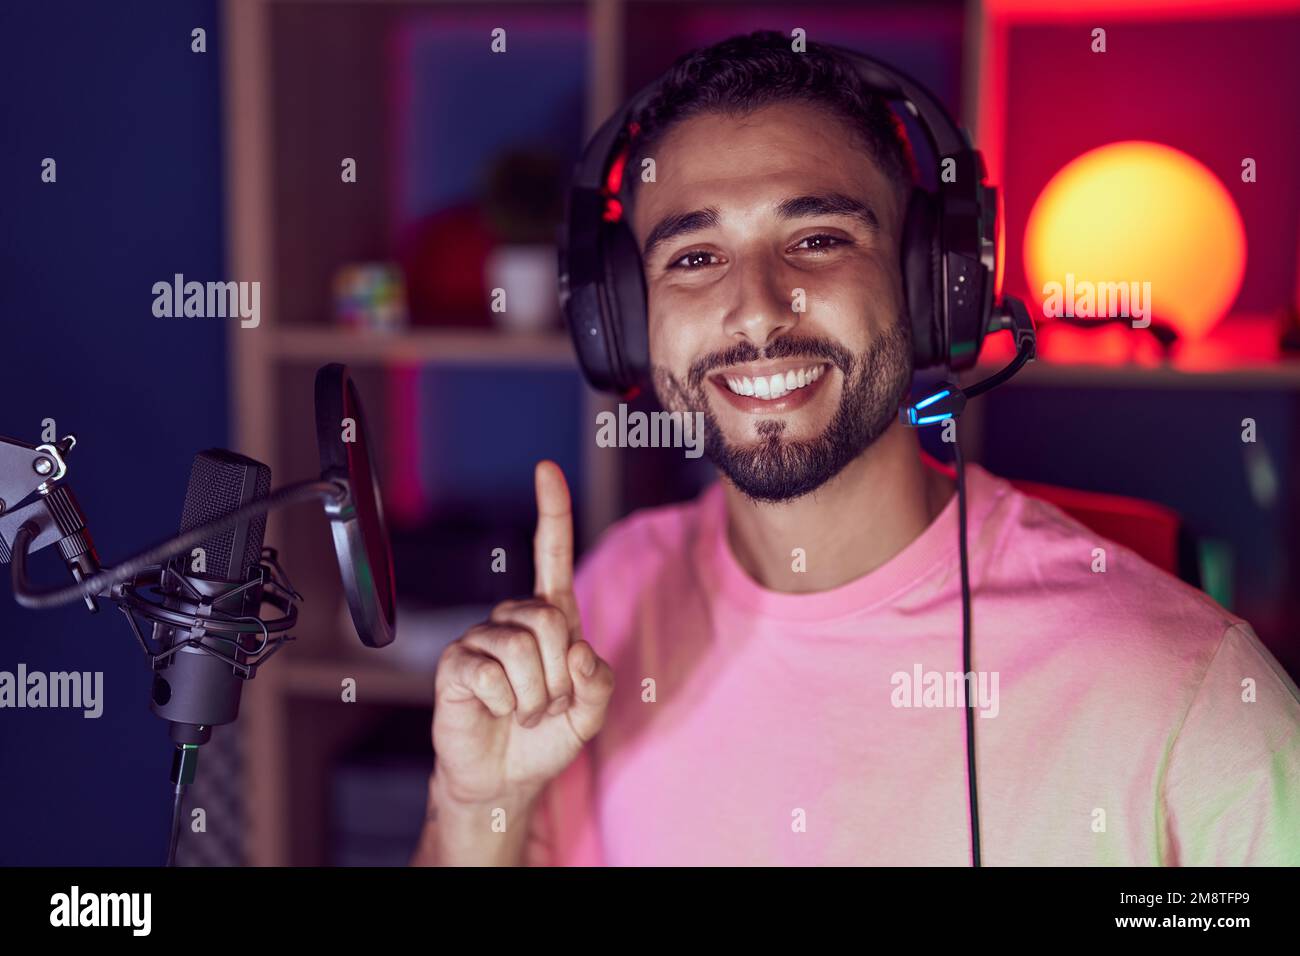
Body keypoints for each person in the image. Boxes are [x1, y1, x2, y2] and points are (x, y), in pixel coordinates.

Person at [411, 31, 1300, 866]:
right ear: (625, 323)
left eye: (819, 240)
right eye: (693, 258)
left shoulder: (1188, 691)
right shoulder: (611, 598)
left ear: (929, 283)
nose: (758, 307)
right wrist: (477, 805)